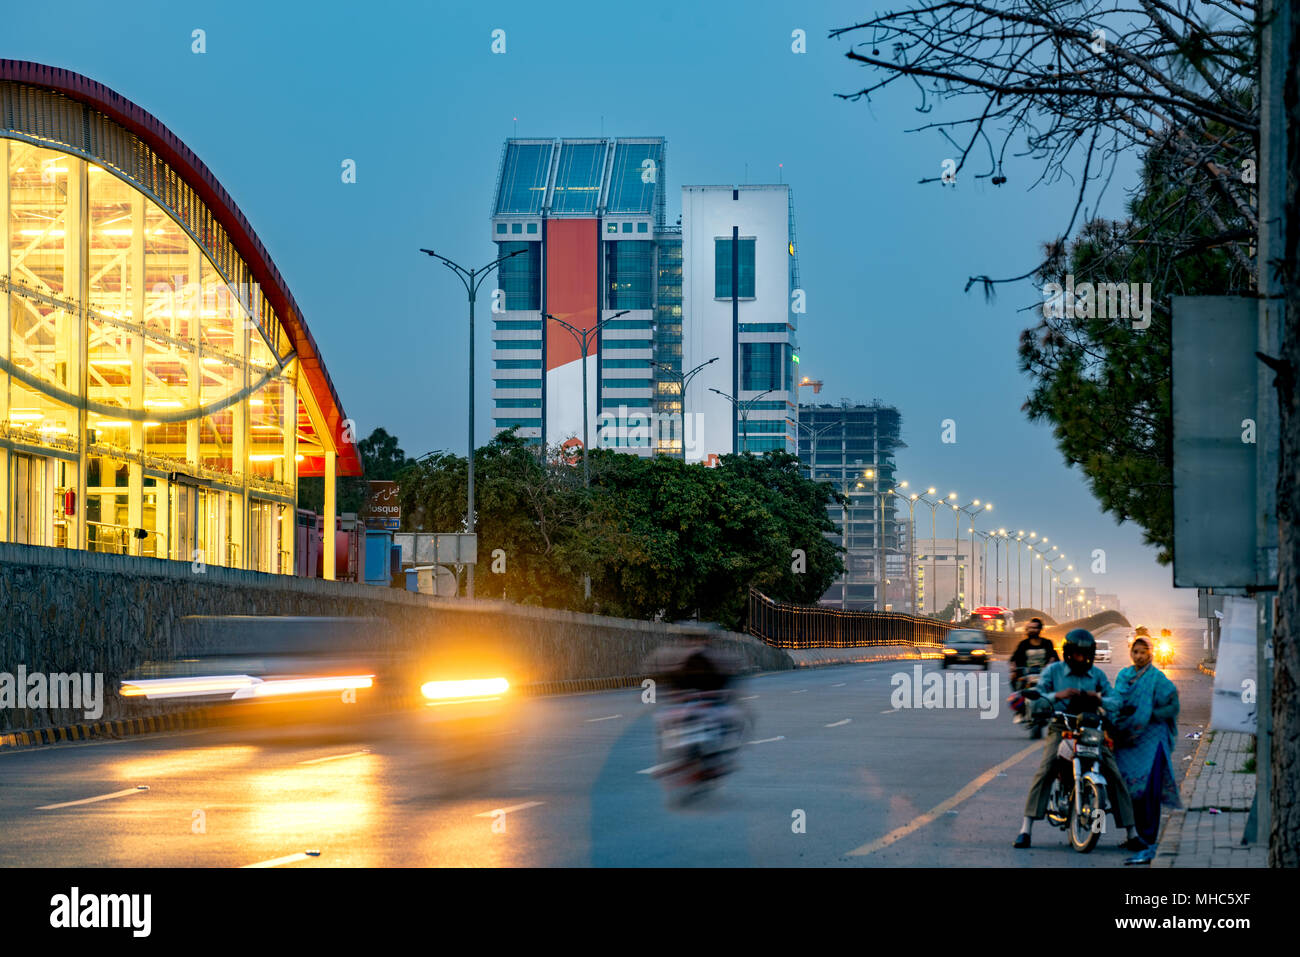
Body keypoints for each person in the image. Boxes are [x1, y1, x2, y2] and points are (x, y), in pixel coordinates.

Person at [1013, 628, 1147, 851]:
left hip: (1092, 728)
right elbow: (1037, 698)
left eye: (1086, 654)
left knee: (1113, 773)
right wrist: (1058, 696)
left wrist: (1098, 698)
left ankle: (1132, 832)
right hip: (1062, 726)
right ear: (1068, 653)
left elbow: (1114, 700)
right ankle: (1025, 829)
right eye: (1078, 654)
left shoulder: (1097, 675)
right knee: (1046, 770)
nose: (1082, 658)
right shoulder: (1053, 671)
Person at [1111, 636, 1181, 853]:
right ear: (1131, 654)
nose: (1139, 656)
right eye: (1135, 652)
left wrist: (1151, 715)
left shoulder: (1158, 678)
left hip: (1152, 741)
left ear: (1151, 654)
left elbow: (1173, 705)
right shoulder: (1124, 675)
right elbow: (1117, 700)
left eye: (1143, 652)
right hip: (1129, 740)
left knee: (1149, 790)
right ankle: (1133, 836)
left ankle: (1148, 837)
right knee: (1129, 788)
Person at [1009, 619, 1059, 723]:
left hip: (1044, 673)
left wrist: (1049, 665)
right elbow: (1014, 659)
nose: (1032, 630)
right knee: (1016, 684)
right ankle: (1021, 710)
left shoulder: (1047, 643)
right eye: (1030, 628)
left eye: (1034, 628)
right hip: (1027, 673)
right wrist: (1013, 669)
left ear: (1040, 629)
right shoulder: (1023, 644)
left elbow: (1053, 656)